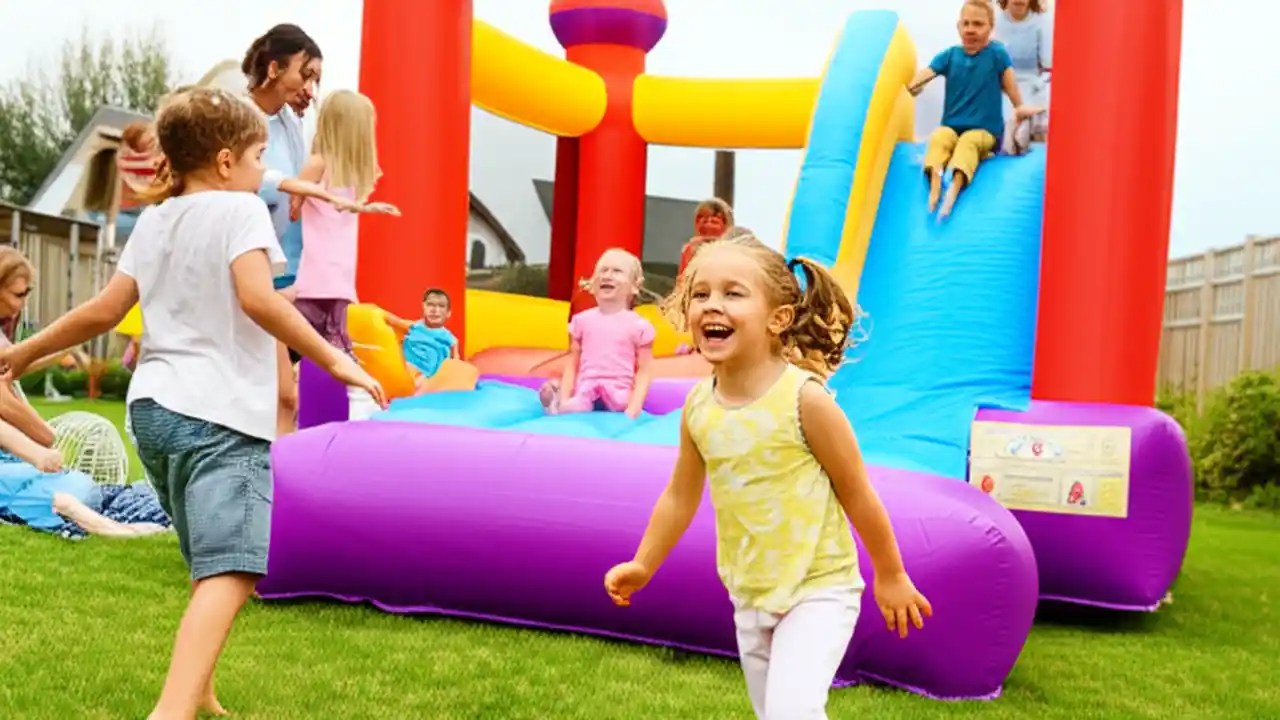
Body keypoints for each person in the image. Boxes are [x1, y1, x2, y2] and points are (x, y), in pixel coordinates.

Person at [0, 86, 387, 720]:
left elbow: (107, 310)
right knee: (236, 567)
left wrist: (25, 352)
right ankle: (172, 710)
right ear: (229, 161)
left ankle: (199, 690)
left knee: (207, 555)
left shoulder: (157, 220)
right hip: (219, 416)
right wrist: (335, 358)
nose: (267, 175)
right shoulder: (241, 212)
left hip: (152, 414)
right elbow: (261, 301)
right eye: (262, 158)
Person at [603, 235, 931, 720]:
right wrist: (643, 563)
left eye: (733, 293)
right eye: (701, 294)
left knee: (791, 711)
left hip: (820, 588)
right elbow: (679, 496)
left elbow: (857, 492)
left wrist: (891, 573)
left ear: (777, 319)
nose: (712, 305)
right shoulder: (699, 406)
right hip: (749, 594)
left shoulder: (804, 400)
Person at [241, 23, 324, 436]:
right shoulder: (239, 117)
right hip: (258, 281)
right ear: (274, 68)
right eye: (304, 75)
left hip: (294, 277)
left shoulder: (292, 125)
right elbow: (251, 180)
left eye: (316, 81)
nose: (309, 89)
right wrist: (296, 184)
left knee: (291, 394)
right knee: (279, 396)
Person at [907, 0, 1041, 218]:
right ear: (958, 26)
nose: (970, 30)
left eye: (978, 24)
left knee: (969, 141)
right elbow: (925, 75)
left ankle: (954, 189)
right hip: (951, 127)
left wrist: (1021, 108)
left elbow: (1011, 88)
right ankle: (935, 181)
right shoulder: (950, 55)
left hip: (985, 133)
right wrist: (911, 87)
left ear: (990, 27)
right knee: (940, 137)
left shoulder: (997, 54)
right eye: (966, 23)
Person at [292, 89, 400, 357]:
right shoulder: (319, 165)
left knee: (331, 349)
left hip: (336, 279)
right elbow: (293, 206)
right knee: (317, 348)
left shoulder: (344, 175)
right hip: (314, 279)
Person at [539, 249, 655, 418]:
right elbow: (572, 364)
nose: (607, 276)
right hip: (586, 388)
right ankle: (558, 405)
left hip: (619, 391)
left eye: (617, 271)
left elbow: (645, 370)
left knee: (620, 400)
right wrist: (565, 398)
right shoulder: (581, 321)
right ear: (593, 283)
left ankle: (564, 404)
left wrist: (634, 407)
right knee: (580, 401)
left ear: (635, 286)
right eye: (603, 270)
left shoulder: (639, 326)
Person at [383, 288, 462, 393]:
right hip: (407, 369)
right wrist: (378, 313)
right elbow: (393, 320)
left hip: (428, 376)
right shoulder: (414, 326)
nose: (435, 310)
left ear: (448, 313)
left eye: (441, 306)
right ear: (423, 307)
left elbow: (455, 362)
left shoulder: (450, 339)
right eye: (430, 305)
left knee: (420, 384)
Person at [996, 0, 1052, 141]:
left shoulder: (1041, 21)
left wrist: (1038, 87)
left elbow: (1048, 65)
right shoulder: (996, 20)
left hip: (1033, 84)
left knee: (1038, 123)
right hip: (1001, 86)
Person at [676, 198, 734, 283]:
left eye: (714, 220)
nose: (708, 222)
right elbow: (682, 280)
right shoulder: (689, 249)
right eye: (703, 218)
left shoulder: (733, 251)